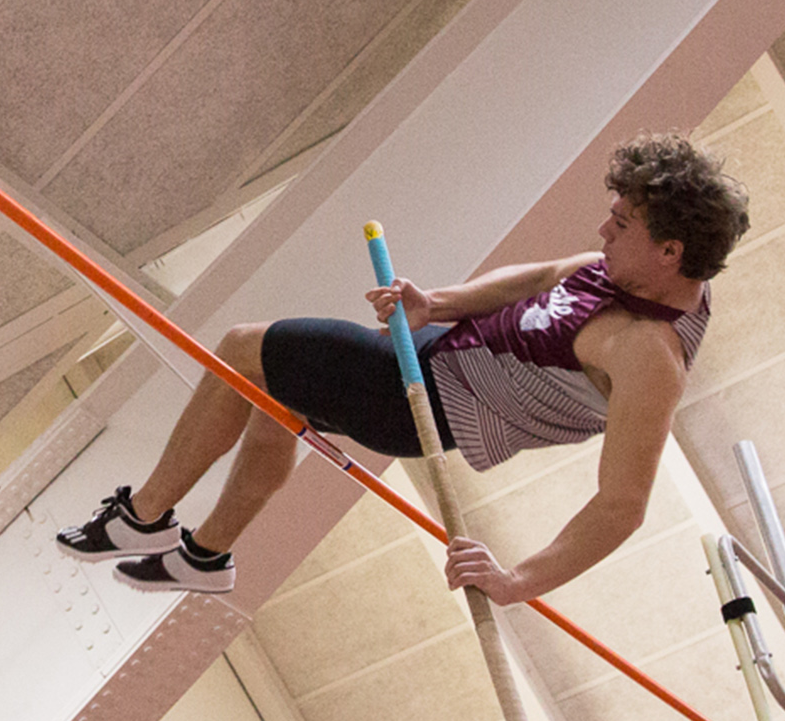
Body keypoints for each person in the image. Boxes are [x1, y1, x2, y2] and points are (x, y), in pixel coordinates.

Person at [57, 133, 749, 598]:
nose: (604, 232)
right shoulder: (637, 271)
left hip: (419, 401)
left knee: (245, 349)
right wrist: (436, 302)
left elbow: (622, 506)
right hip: (431, 353)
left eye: (623, 225)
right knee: (275, 403)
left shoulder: (650, 358)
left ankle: (143, 517)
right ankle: (204, 556)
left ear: (670, 253)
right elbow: (540, 276)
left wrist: (517, 582)